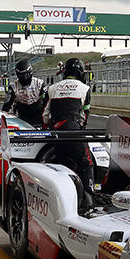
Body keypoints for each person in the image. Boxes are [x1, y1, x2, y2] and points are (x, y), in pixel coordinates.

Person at [43, 57, 94, 196]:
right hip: (74, 132)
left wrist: (49, 127)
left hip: (55, 134)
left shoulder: (51, 89)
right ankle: (89, 197)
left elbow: (45, 115)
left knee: (62, 166)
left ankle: (63, 196)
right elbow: (84, 116)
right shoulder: (85, 89)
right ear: (80, 73)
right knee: (86, 164)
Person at [1, 59, 48, 128]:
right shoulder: (13, 86)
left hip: (38, 112)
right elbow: (7, 104)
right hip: (22, 113)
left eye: (26, 75)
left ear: (30, 72)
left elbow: (47, 100)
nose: (24, 78)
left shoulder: (39, 83)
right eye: (21, 75)